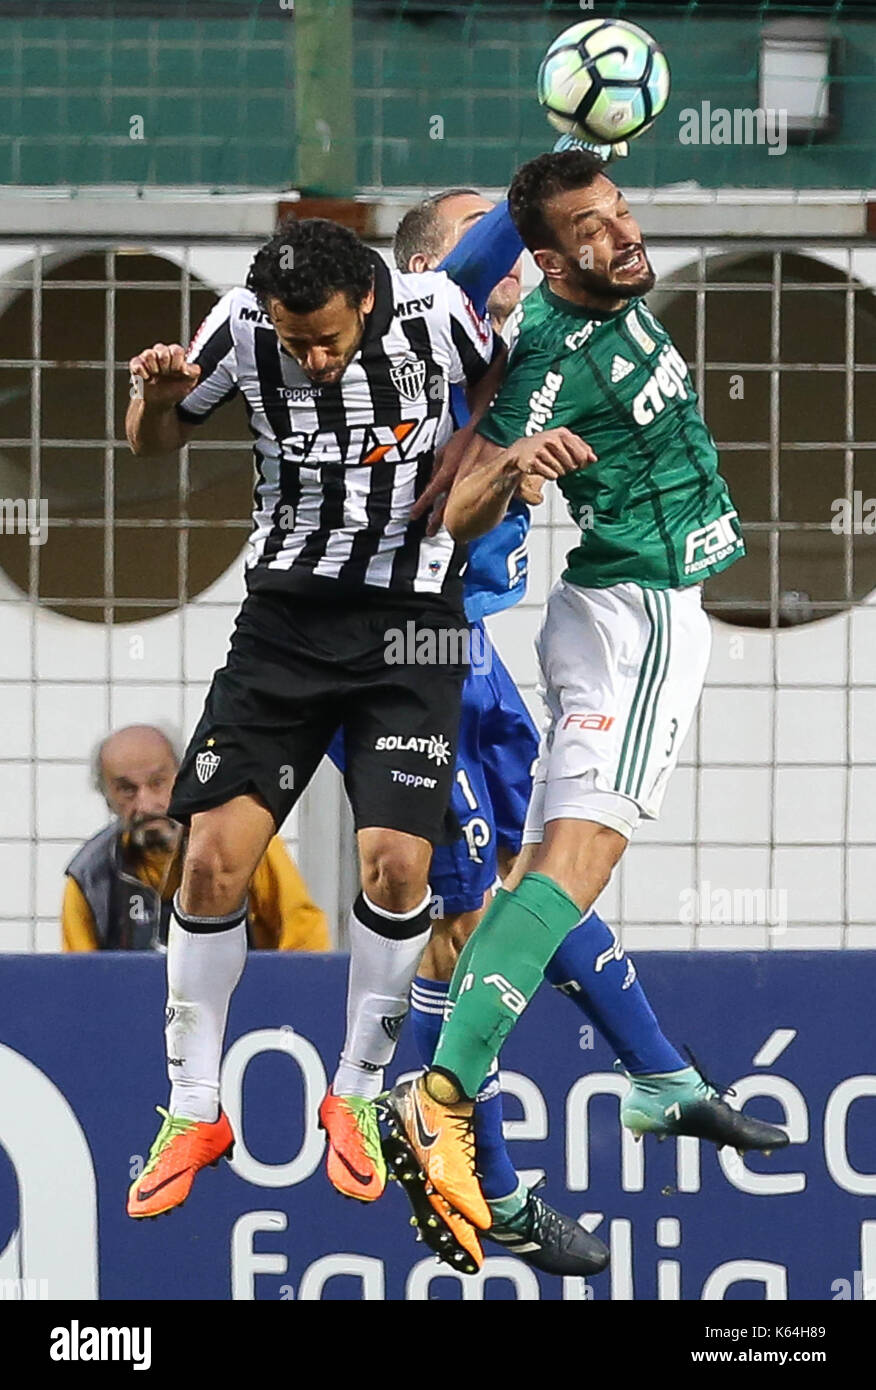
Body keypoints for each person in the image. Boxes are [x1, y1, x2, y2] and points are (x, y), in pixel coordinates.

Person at [382, 150, 790, 1255]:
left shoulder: (574, 313)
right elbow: (450, 501)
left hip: (562, 629)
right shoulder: (495, 355)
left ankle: (644, 1077)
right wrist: (515, 460)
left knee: (541, 877)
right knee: (541, 879)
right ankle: (445, 1107)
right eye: (589, 226)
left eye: (622, 210)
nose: (621, 231)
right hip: (606, 623)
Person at [122, 216, 503, 1222]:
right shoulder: (242, 324)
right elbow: (155, 444)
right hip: (284, 628)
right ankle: (195, 1106)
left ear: (368, 302)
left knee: (399, 864)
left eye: (327, 340)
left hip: (414, 627)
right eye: (297, 346)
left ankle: (357, 1092)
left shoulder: (432, 313)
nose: (313, 360)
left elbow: (504, 370)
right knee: (207, 861)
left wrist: (474, 438)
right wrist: (154, 400)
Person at [322, 189, 607, 1278]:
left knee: (531, 893)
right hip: (411, 668)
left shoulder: (503, 364)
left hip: (478, 662)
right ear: (432, 280)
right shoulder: (401, 361)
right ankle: (478, 1164)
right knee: (465, 916)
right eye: (503, 267)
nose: (520, 286)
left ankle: (462, 1134)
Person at [62, 724, 329, 953]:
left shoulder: (245, 841)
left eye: (157, 783)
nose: (145, 804)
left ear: (183, 777)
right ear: (106, 796)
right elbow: (80, 977)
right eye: (127, 790)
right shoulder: (90, 876)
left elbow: (304, 936)